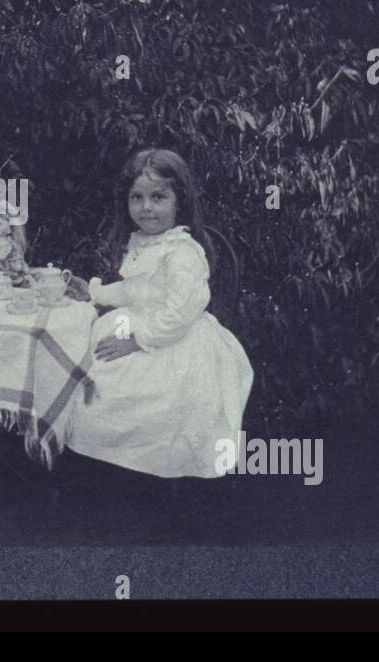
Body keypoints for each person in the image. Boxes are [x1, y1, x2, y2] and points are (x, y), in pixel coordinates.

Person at [66, 148, 253, 479]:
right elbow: (135, 290)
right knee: (87, 368)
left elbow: (179, 314)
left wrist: (137, 341)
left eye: (158, 197)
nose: (146, 208)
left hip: (173, 341)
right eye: (137, 198)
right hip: (144, 325)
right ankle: (116, 465)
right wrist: (95, 293)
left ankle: (152, 466)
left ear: (178, 201)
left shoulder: (182, 253)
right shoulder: (145, 242)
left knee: (126, 388)